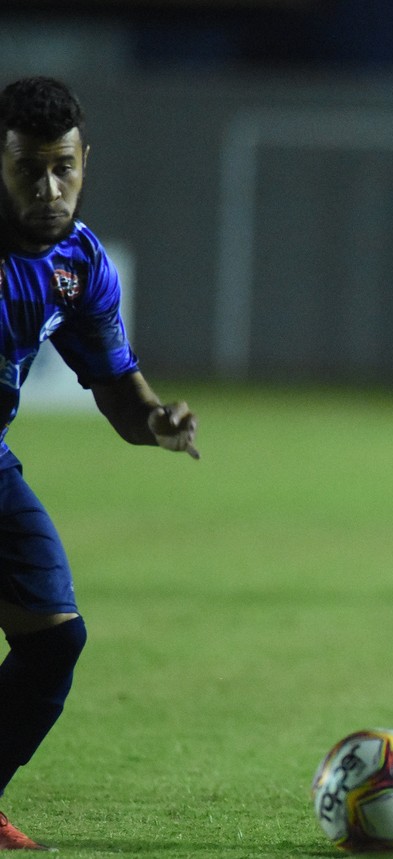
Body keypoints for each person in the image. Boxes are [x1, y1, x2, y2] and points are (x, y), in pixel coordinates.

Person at [0, 76, 199, 851]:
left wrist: (155, 419)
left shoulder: (77, 263)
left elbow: (117, 388)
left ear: (86, 162)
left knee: (54, 640)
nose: (49, 189)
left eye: (64, 168)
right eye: (29, 169)